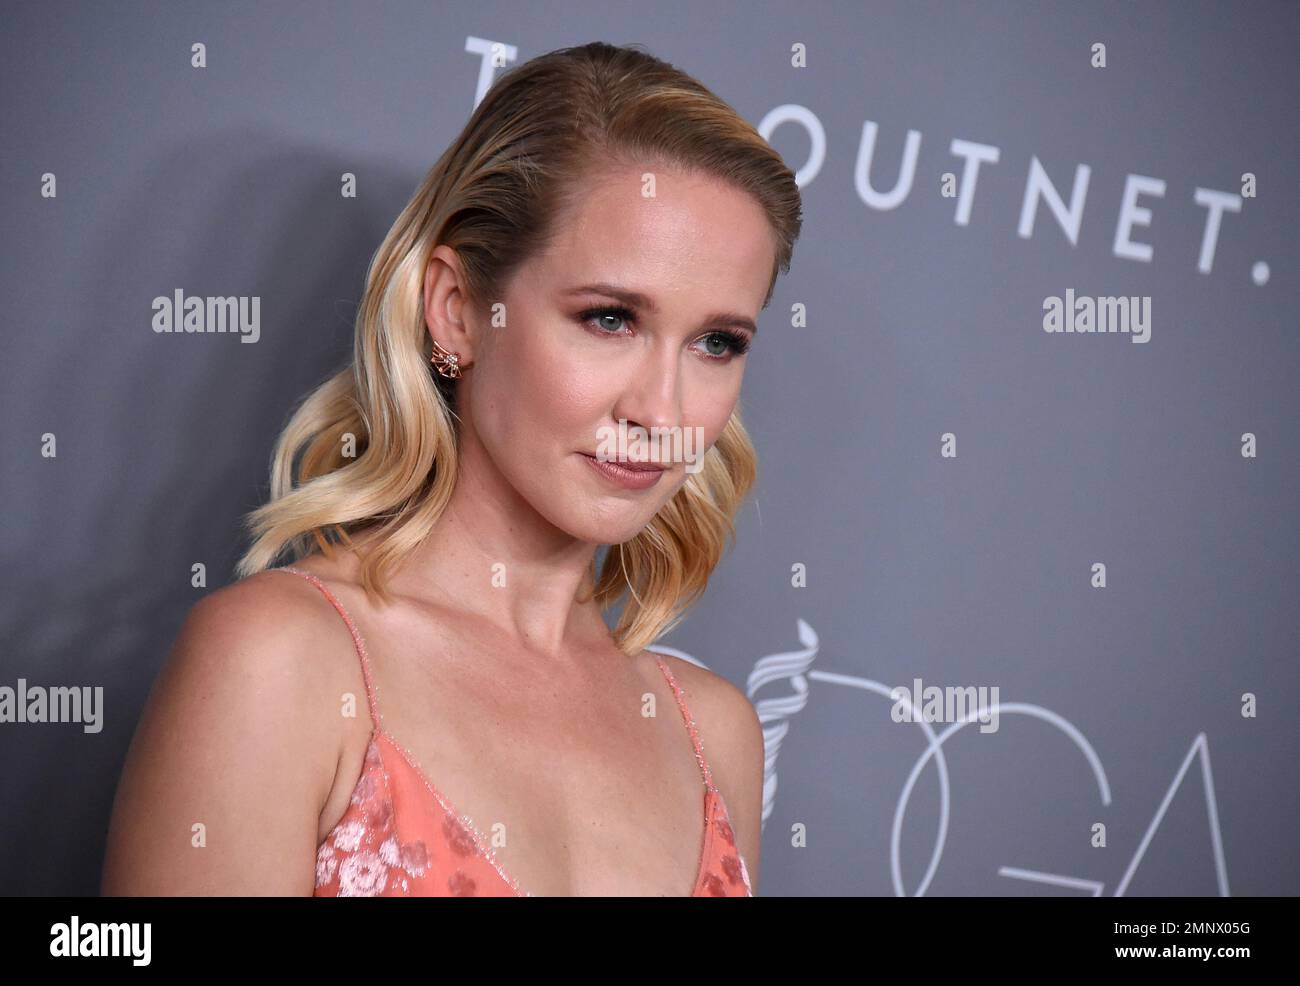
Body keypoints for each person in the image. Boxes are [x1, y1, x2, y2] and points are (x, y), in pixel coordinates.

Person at [101, 40, 802, 896]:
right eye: (610, 319)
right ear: (457, 311)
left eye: (716, 343)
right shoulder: (282, 665)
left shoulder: (715, 734)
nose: (661, 412)